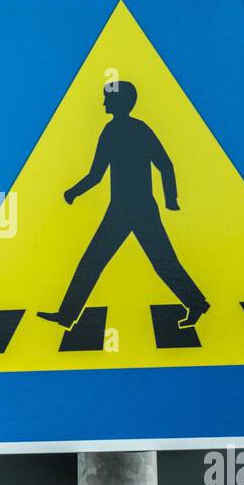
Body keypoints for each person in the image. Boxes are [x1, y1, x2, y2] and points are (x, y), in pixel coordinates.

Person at [37, 80, 209, 329]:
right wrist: (169, 200)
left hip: (129, 210)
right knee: (154, 262)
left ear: (120, 102)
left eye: (108, 98)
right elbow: (161, 165)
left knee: (102, 262)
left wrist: (72, 193)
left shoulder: (119, 131)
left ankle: (196, 302)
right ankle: (196, 302)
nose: (104, 102)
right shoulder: (134, 129)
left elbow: (160, 165)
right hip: (131, 208)